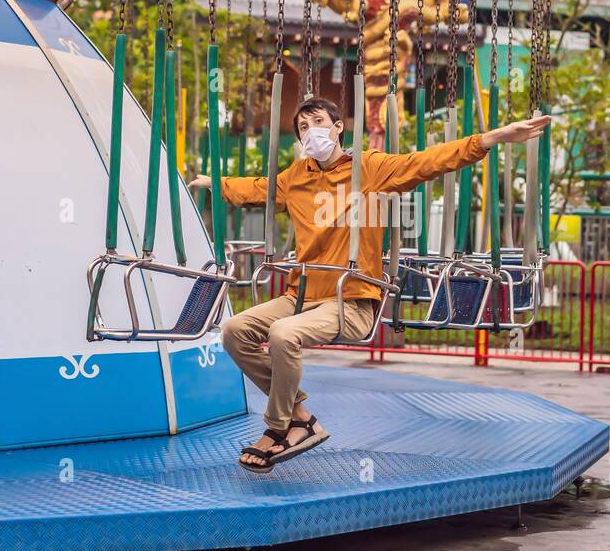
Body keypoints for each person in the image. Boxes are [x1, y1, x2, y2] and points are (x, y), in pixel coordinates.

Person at [189, 96, 549, 473]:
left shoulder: (369, 168)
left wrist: (491, 138)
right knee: (234, 330)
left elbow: (426, 161)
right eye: (303, 127)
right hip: (300, 296)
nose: (311, 132)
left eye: (317, 122)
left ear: (339, 126)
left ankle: (277, 429)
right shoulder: (295, 177)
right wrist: (216, 183)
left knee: (283, 335)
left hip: (351, 299)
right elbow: (256, 189)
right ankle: (300, 417)